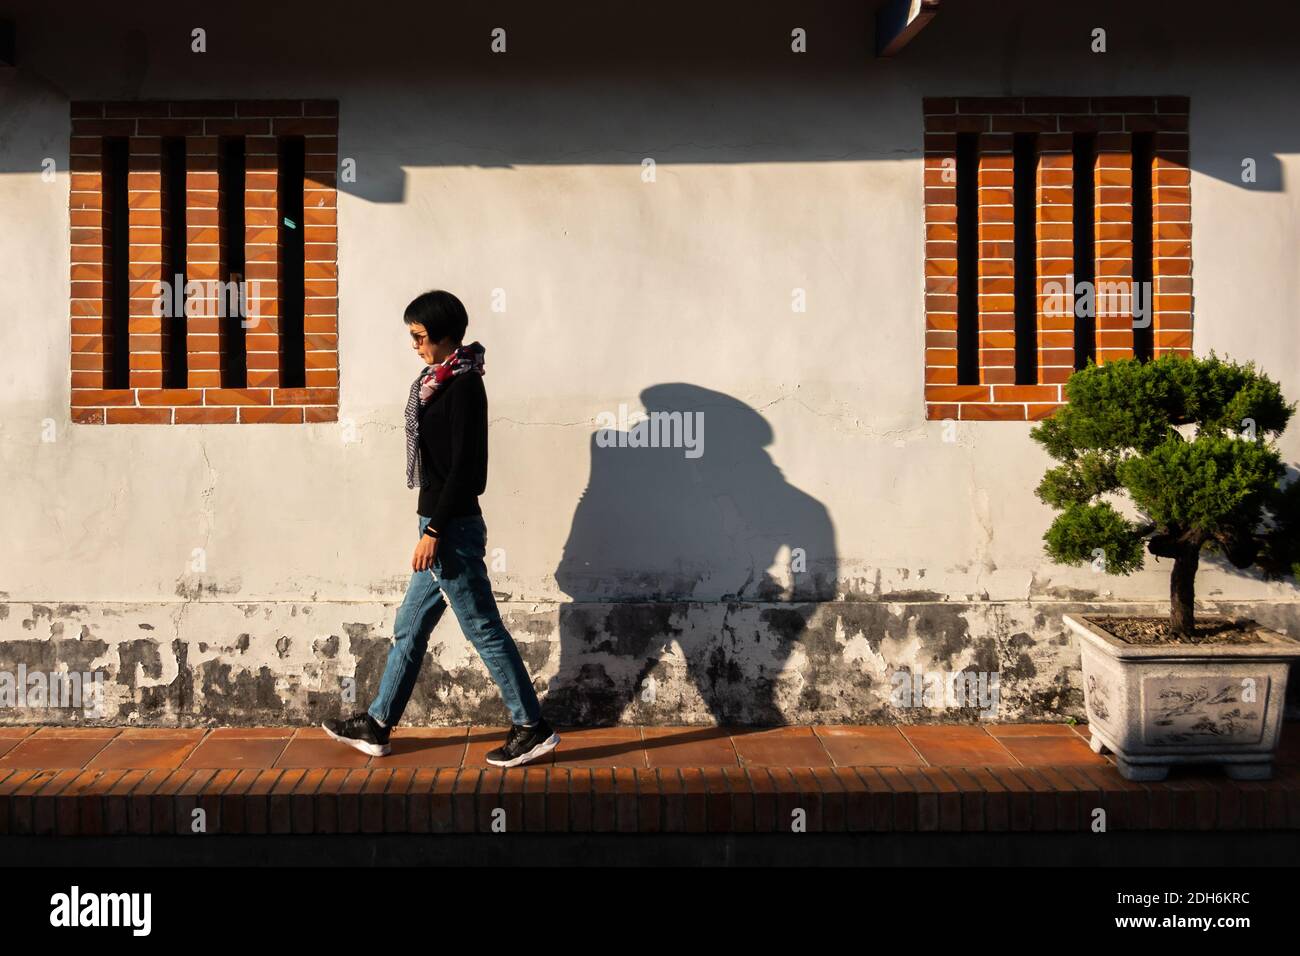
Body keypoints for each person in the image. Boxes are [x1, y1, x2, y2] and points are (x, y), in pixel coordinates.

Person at [323, 290, 559, 767]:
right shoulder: (437, 380)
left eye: (420, 336)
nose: (414, 345)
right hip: (435, 521)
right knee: (408, 629)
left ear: (446, 335)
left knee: (483, 629)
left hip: (449, 529)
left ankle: (532, 727)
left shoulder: (465, 386)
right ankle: (377, 724)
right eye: (412, 336)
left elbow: (468, 472)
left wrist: (433, 533)